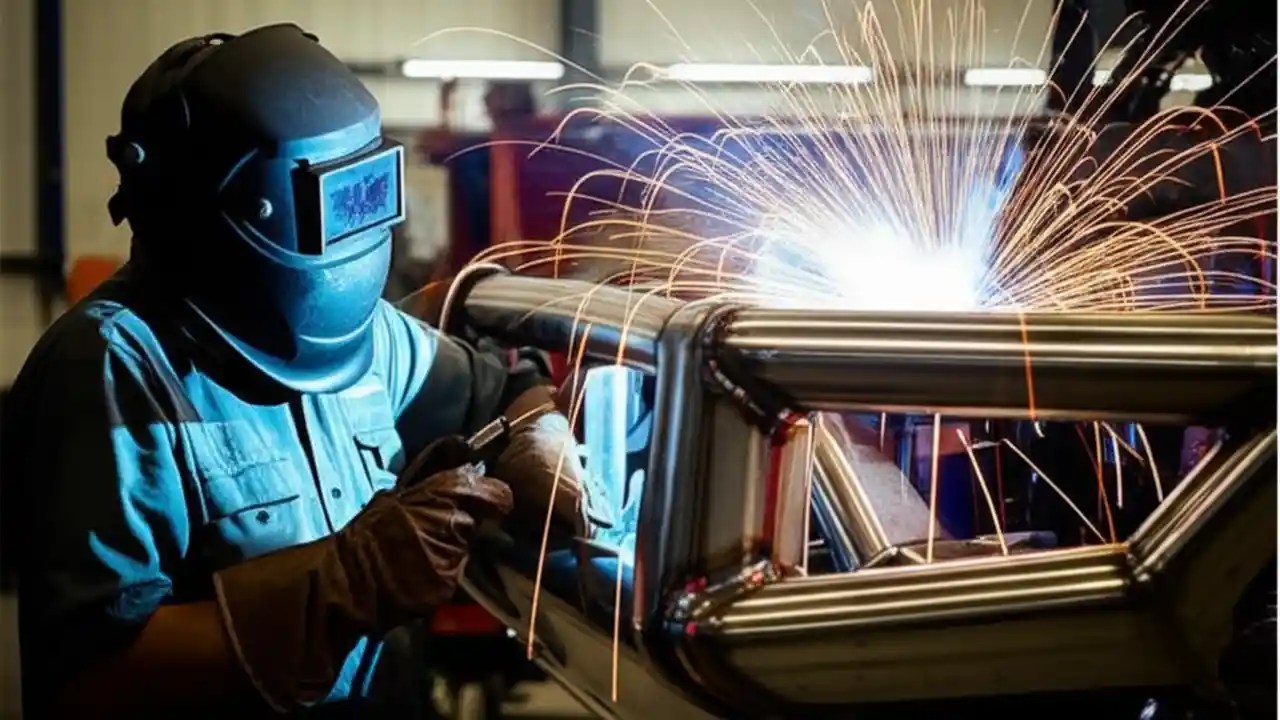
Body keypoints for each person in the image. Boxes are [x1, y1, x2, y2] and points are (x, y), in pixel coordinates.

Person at [4, 24, 588, 718]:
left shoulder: (368, 338)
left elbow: (501, 386)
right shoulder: (109, 368)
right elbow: (91, 683)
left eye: (365, 196)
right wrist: (341, 585)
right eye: (332, 207)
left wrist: (540, 435)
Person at [418, 80, 539, 274]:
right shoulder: (482, 151)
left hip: (510, 256)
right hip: (488, 255)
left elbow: (435, 145)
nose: (486, 102)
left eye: (493, 96)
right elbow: (432, 145)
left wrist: (446, 108)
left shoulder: (502, 150)